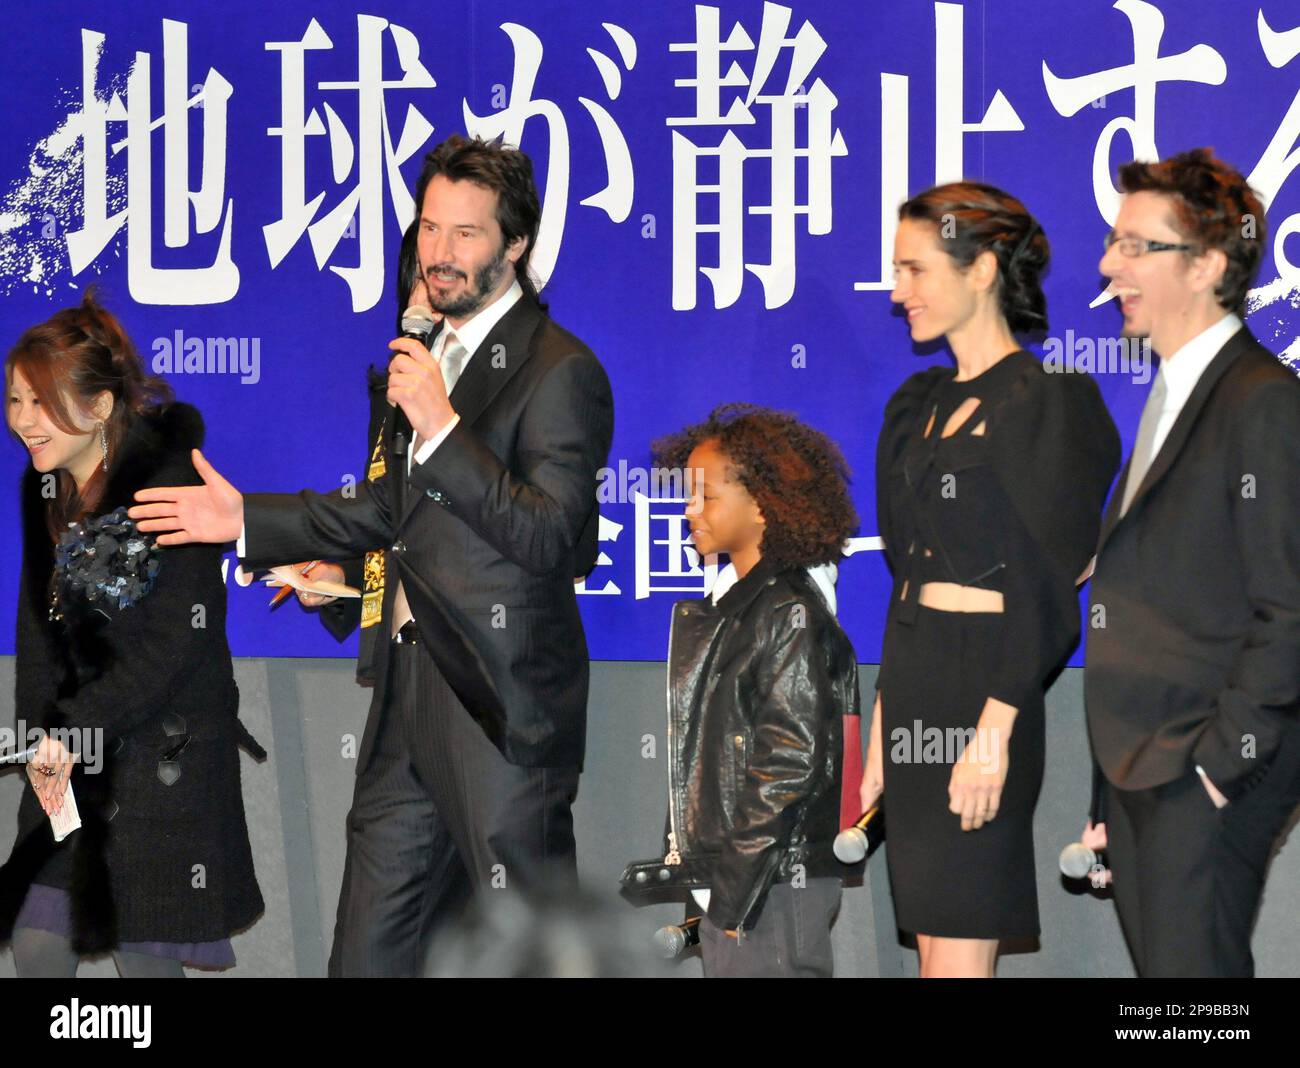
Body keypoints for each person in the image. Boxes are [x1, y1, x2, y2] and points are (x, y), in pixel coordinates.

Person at [129, 134, 615, 977]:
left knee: (529, 951)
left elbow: (551, 539)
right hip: (404, 696)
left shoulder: (559, 370)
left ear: (517, 244)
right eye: (429, 228)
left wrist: (445, 428)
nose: (438, 254)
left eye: (466, 233)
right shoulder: (418, 361)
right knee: (365, 955)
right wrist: (250, 521)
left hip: (499, 706)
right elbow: (392, 512)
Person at [867, 182, 1120, 977]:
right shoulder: (916, 405)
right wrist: (880, 723)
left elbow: (1049, 587)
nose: (898, 289)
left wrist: (997, 725)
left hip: (990, 688)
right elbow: (906, 573)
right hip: (915, 681)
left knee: (961, 951)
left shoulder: (1051, 404)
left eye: (915, 269)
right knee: (935, 947)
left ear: (980, 270)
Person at [0, 291, 264, 977]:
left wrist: (74, 729)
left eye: (43, 404)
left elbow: (177, 646)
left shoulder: (167, 490)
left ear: (100, 409)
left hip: (160, 760)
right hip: (71, 759)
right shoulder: (45, 490)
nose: (24, 423)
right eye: (16, 401)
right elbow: (37, 631)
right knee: (37, 944)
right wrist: (38, 738)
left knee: (146, 966)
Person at [1083, 148, 1300, 977]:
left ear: (1209, 264)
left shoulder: (1263, 402)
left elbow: (1290, 607)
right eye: (1114, 242)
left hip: (1202, 770)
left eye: (1138, 245)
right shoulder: (1170, 394)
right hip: (1146, 769)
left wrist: (1218, 769)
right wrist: (1113, 791)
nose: (1110, 264)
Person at [647, 403, 860, 977]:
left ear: (762, 506)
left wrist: (733, 886)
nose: (690, 509)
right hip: (745, 882)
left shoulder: (788, 611)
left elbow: (790, 762)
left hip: (771, 882)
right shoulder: (735, 607)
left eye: (706, 494)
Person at [289, 220, 434, 687]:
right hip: (397, 662)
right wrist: (334, 574)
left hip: (480, 674)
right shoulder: (392, 397)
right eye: (415, 279)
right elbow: (387, 518)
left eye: (438, 280)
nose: (420, 299)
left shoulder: (518, 388)